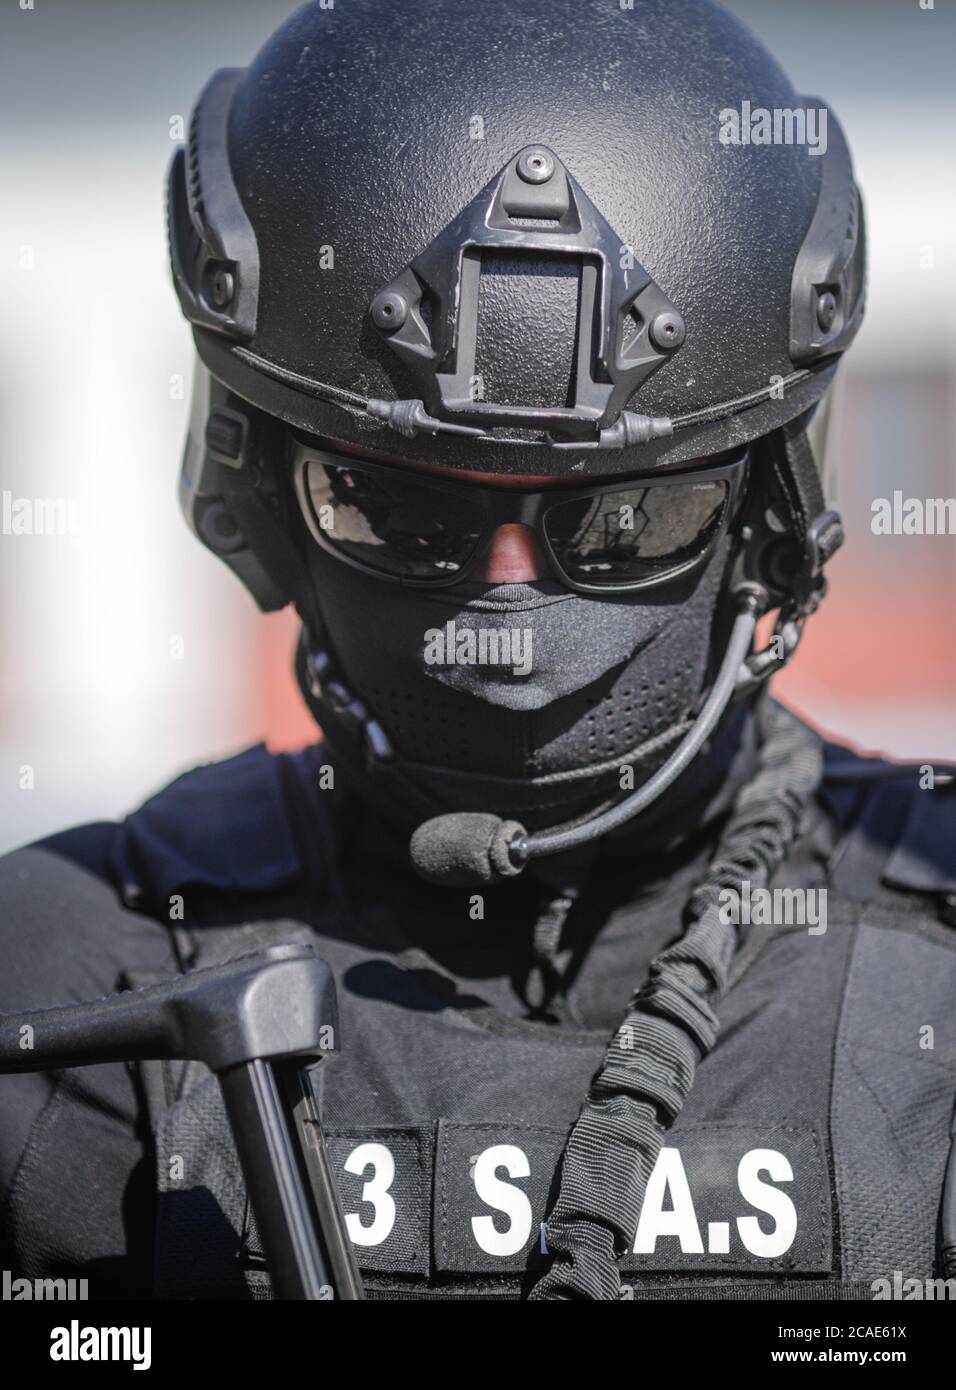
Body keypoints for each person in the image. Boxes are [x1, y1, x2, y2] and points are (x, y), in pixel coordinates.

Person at [1, 0, 953, 1303]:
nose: (504, 625)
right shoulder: (62, 980)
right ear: (258, 482)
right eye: (401, 511)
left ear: (768, 514)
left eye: (622, 522)